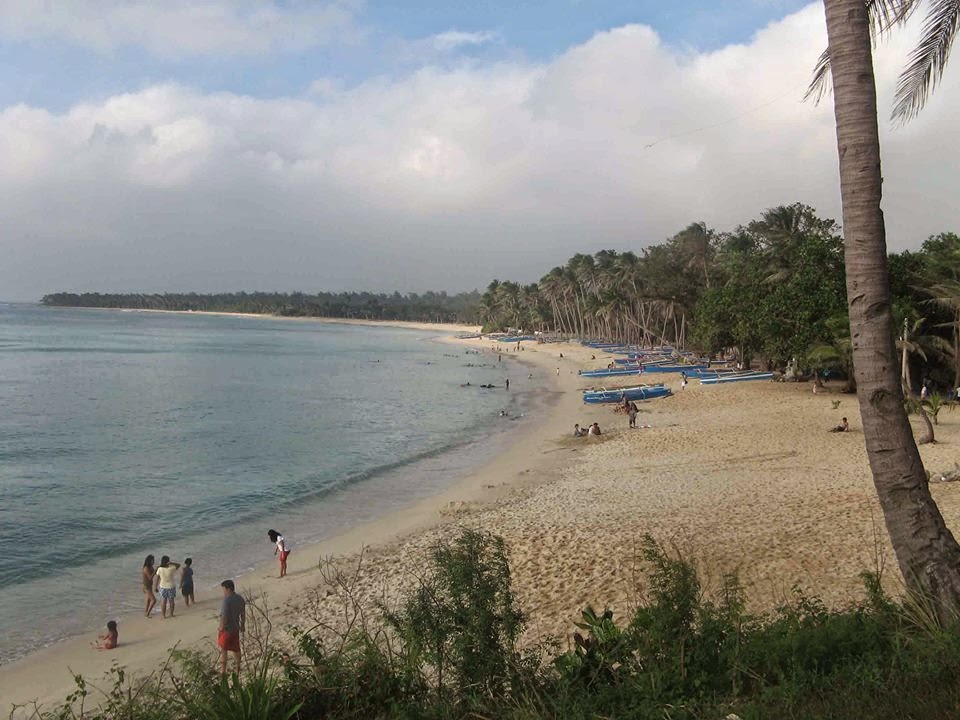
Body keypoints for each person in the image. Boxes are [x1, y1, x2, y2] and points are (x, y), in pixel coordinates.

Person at [217, 580, 246, 674]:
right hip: (235, 629)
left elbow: (224, 616)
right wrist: (242, 625)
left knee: (223, 649)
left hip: (227, 630)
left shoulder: (227, 600)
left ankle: (223, 670)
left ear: (228, 589)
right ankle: (238, 667)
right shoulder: (240, 599)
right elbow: (243, 614)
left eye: (224, 589)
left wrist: (221, 627)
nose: (223, 592)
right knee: (236, 649)